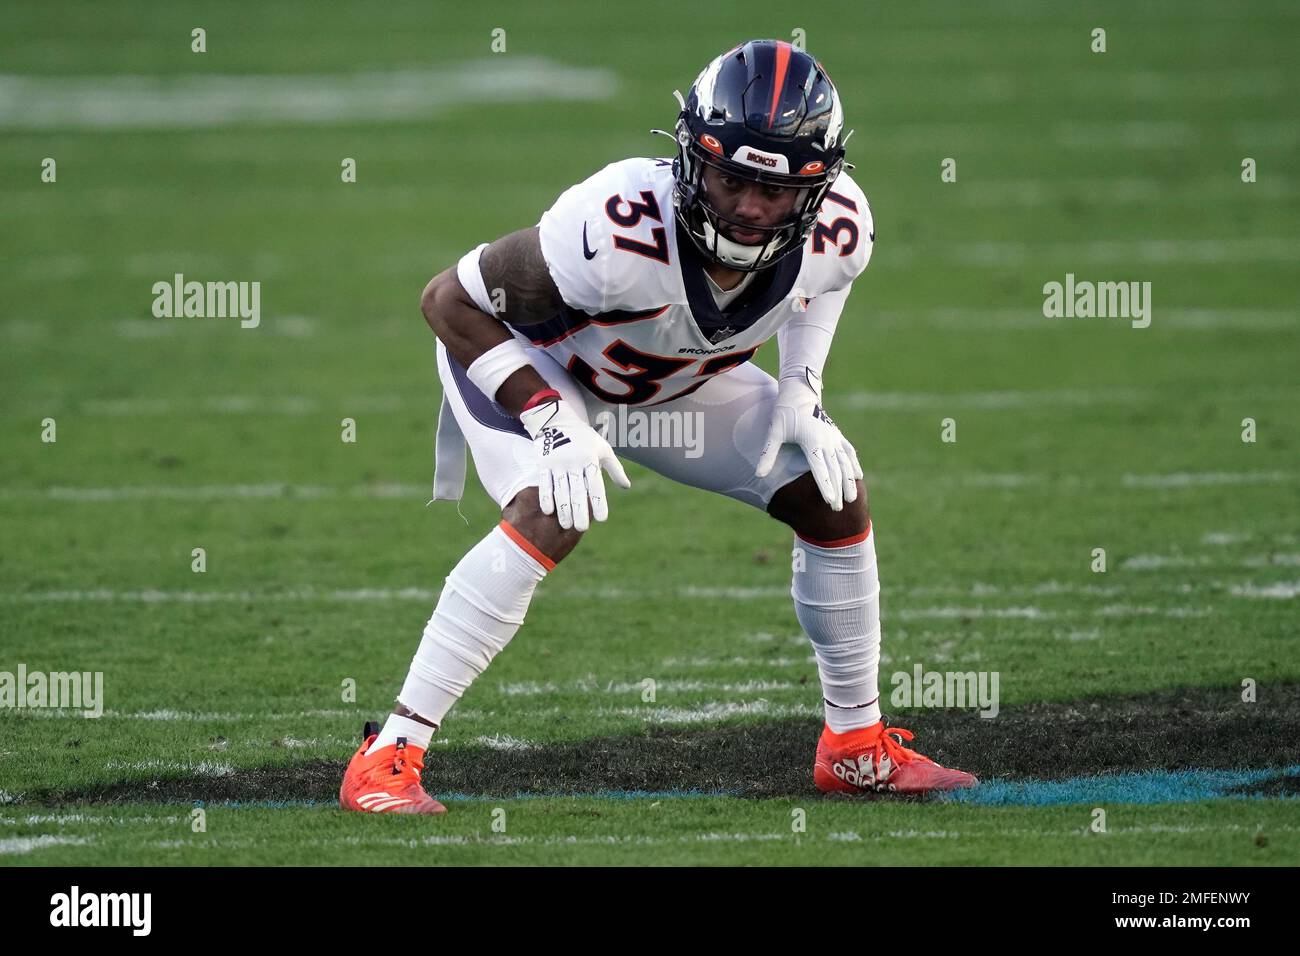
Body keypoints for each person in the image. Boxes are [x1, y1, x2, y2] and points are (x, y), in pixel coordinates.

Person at [340, 39, 977, 814]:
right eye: (732, 178)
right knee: (553, 508)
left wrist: (801, 391)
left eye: (774, 192)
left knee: (832, 494)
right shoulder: (613, 228)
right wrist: (547, 418)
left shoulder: (840, 226)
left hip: (673, 387)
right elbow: (449, 302)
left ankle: (853, 745)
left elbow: (820, 287)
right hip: (540, 372)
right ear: (690, 158)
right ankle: (388, 755)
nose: (748, 207)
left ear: (817, 188)